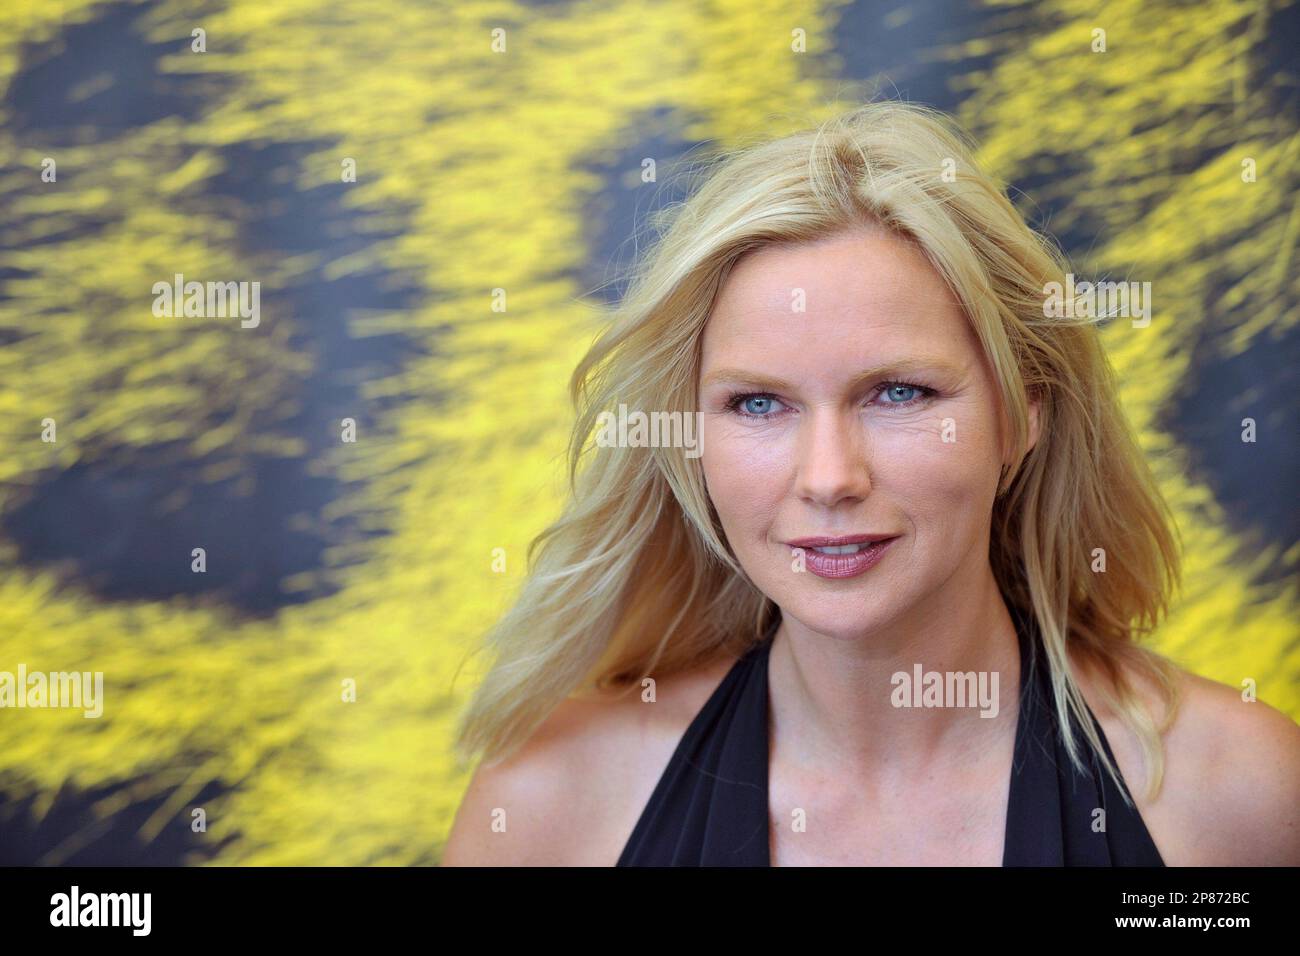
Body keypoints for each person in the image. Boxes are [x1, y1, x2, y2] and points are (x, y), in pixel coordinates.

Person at [441, 101, 1300, 866]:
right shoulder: (550, 802)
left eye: (899, 393)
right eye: (757, 404)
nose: (829, 478)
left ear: (1020, 417)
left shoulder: (1237, 795)